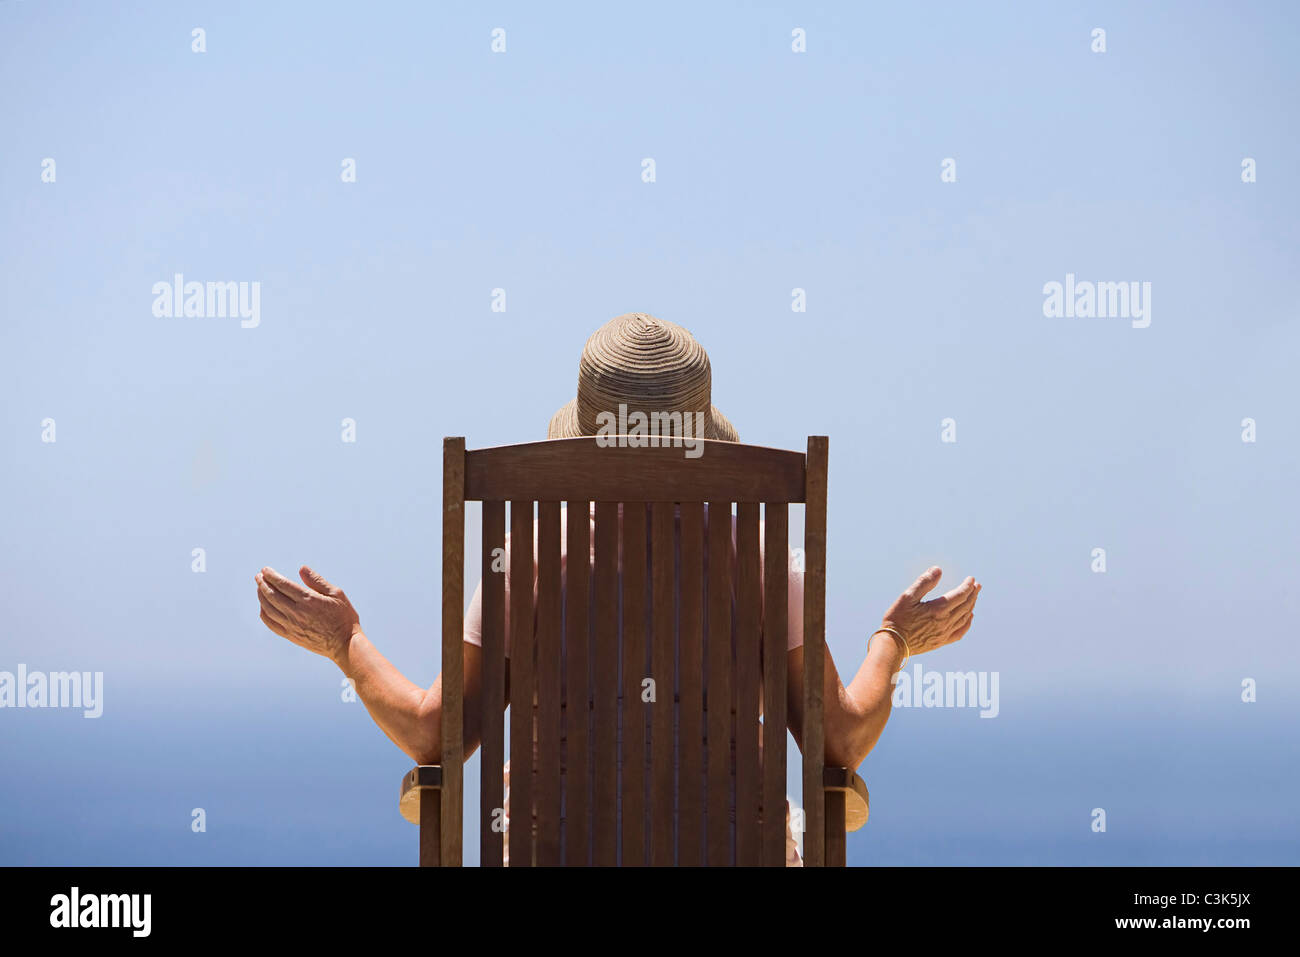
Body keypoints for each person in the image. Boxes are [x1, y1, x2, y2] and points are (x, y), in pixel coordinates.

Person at [255, 312, 981, 865]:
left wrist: (348, 644)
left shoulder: (526, 560)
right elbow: (843, 741)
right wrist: (894, 642)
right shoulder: (763, 564)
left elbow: (429, 730)